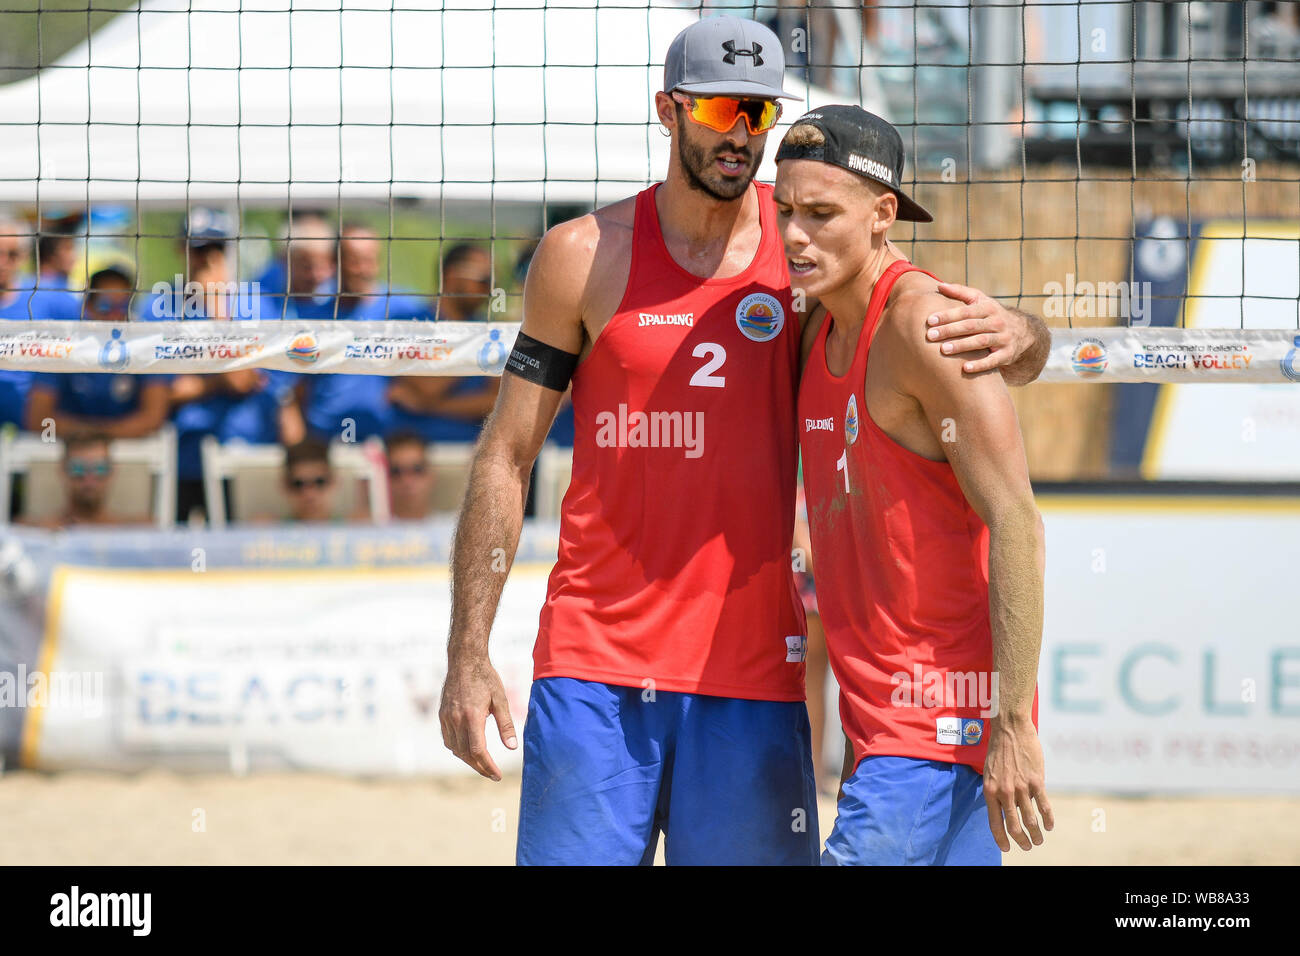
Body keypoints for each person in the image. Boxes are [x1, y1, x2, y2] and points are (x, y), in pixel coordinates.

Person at [438, 16, 1049, 866]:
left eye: (760, 112)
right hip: (594, 665)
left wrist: (1026, 329)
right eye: (724, 108)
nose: (743, 133)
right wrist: (468, 653)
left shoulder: (803, 247)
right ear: (669, 109)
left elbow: (920, 317)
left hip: (753, 675)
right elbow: (506, 455)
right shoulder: (582, 256)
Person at [774, 105, 1051, 865]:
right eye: (786, 210)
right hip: (895, 726)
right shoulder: (813, 322)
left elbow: (1019, 524)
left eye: (822, 213)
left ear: (882, 215)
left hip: (932, 723)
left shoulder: (922, 328)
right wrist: (1031, 337)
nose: (796, 234)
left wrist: (1014, 727)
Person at [143, 210, 294, 523]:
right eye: (198, 250)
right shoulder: (158, 306)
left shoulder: (258, 303)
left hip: (245, 454)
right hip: (180, 458)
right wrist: (217, 380)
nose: (206, 260)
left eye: (216, 250)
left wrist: (217, 311)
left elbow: (241, 380)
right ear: (181, 251)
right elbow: (162, 393)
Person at [291, 223, 425, 444]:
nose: (364, 269)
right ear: (335, 264)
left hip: (387, 443)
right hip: (325, 443)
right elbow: (296, 392)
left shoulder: (407, 310)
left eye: (370, 260)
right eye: (355, 261)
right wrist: (302, 446)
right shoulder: (313, 319)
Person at [25, 265, 172, 441]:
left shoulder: (145, 344)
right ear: (88, 305)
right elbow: (38, 419)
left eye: (123, 306)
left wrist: (99, 436)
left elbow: (153, 417)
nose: (114, 315)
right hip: (67, 447)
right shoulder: (62, 343)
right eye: (105, 306)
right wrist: (90, 436)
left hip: (128, 449)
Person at [387, 243, 500, 444]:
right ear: (452, 275)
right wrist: (475, 350)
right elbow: (425, 386)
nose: (491, 289)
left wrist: (429, 406)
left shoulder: (488, 329)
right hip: (410, 456)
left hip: (466, 451)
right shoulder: (411, 322)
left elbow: (496, 403)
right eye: (484, 279)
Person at [19, 433, 144, 528]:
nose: (89, 478)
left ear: (112, 471)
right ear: (62, 470)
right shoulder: (35, 531)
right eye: (78, 468)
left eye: (100, 468)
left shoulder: (135, 531)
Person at [385, 431, 436, 522]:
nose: (407, 481)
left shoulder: (455, 528)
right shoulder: (368, 528)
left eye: (417, 469)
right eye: (396, 472)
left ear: (431, 475)